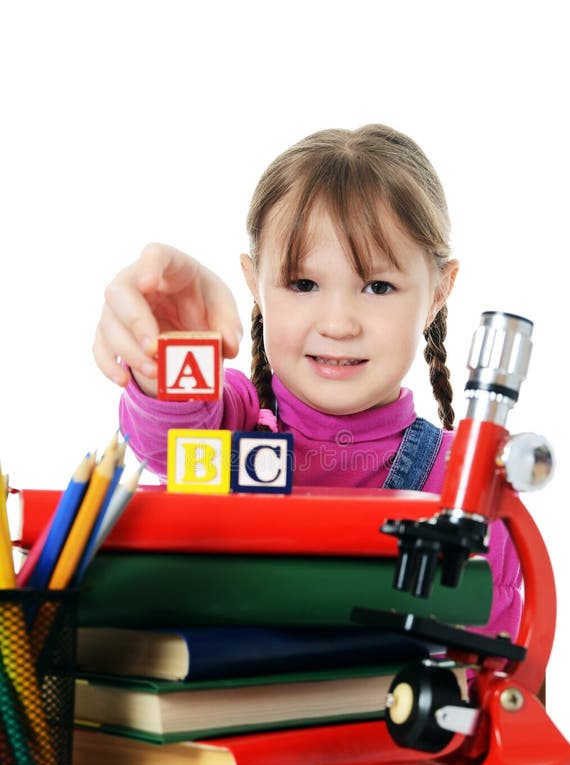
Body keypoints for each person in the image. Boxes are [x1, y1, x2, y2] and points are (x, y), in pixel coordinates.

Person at [93, 124, 521, 639]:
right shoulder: (232, 423)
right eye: (303, 284)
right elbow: (171, 433)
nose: (338, 323)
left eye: (378, 286)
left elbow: (484, 663)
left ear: (438, 292)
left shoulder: (467, 483)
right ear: (254, 283)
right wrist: (168, 357)